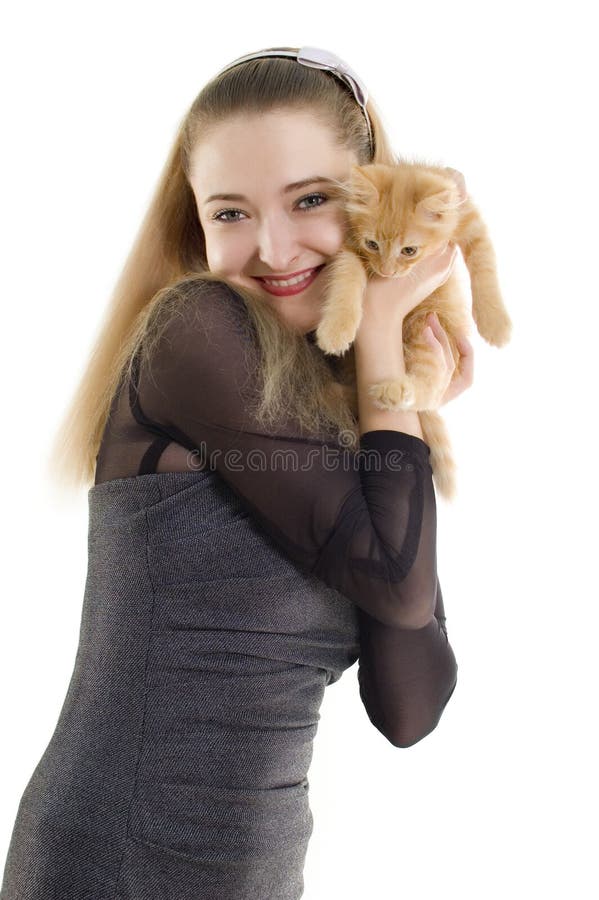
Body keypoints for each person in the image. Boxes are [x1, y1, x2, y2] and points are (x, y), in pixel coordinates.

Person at [0, 46, 473, 900]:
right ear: (196, 223)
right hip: (118, 858)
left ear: (373, 195)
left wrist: (388, 388)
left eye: (311, 200)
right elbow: (400, 591)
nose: (272, 248)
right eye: (230, 214)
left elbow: (410, 707)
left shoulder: (355, 414)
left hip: (251, 869)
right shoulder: (196, 330)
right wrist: (378, 340)